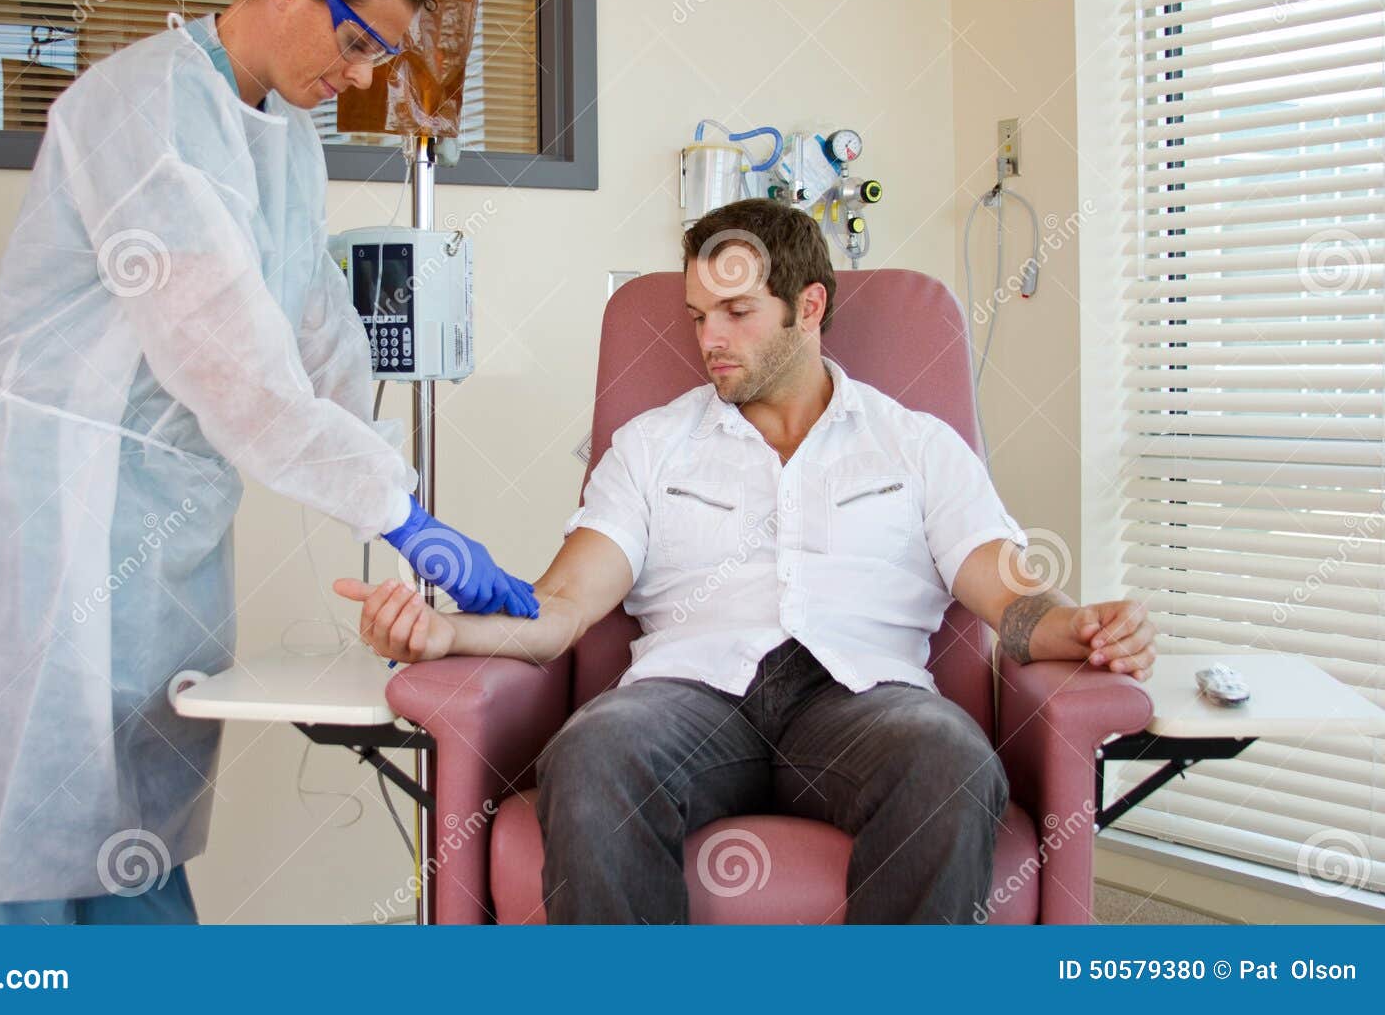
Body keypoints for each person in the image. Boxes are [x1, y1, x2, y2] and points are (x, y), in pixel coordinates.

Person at [0, 0, 533, 926]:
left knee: (127, 823)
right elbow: (232, 361)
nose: (361, 76)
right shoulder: (146, 111)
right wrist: (400, 515)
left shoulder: (282, 140)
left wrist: (402, 512)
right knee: (18, 833)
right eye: (357, 40)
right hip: (45, 505)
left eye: (385, 55)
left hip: (159, 515)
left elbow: (319, 341)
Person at [336, 198, 1157, 924]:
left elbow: (1007, 598)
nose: (710, 339)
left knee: (949, 764)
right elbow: (561, 608)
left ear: (808, 306)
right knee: (593, 751)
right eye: (698, 316)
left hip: (864, 704)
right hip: (688, 701)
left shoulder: (913, 444)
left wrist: (1077, 625)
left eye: (735, 311)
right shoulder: (653, 446)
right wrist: (448, 635)